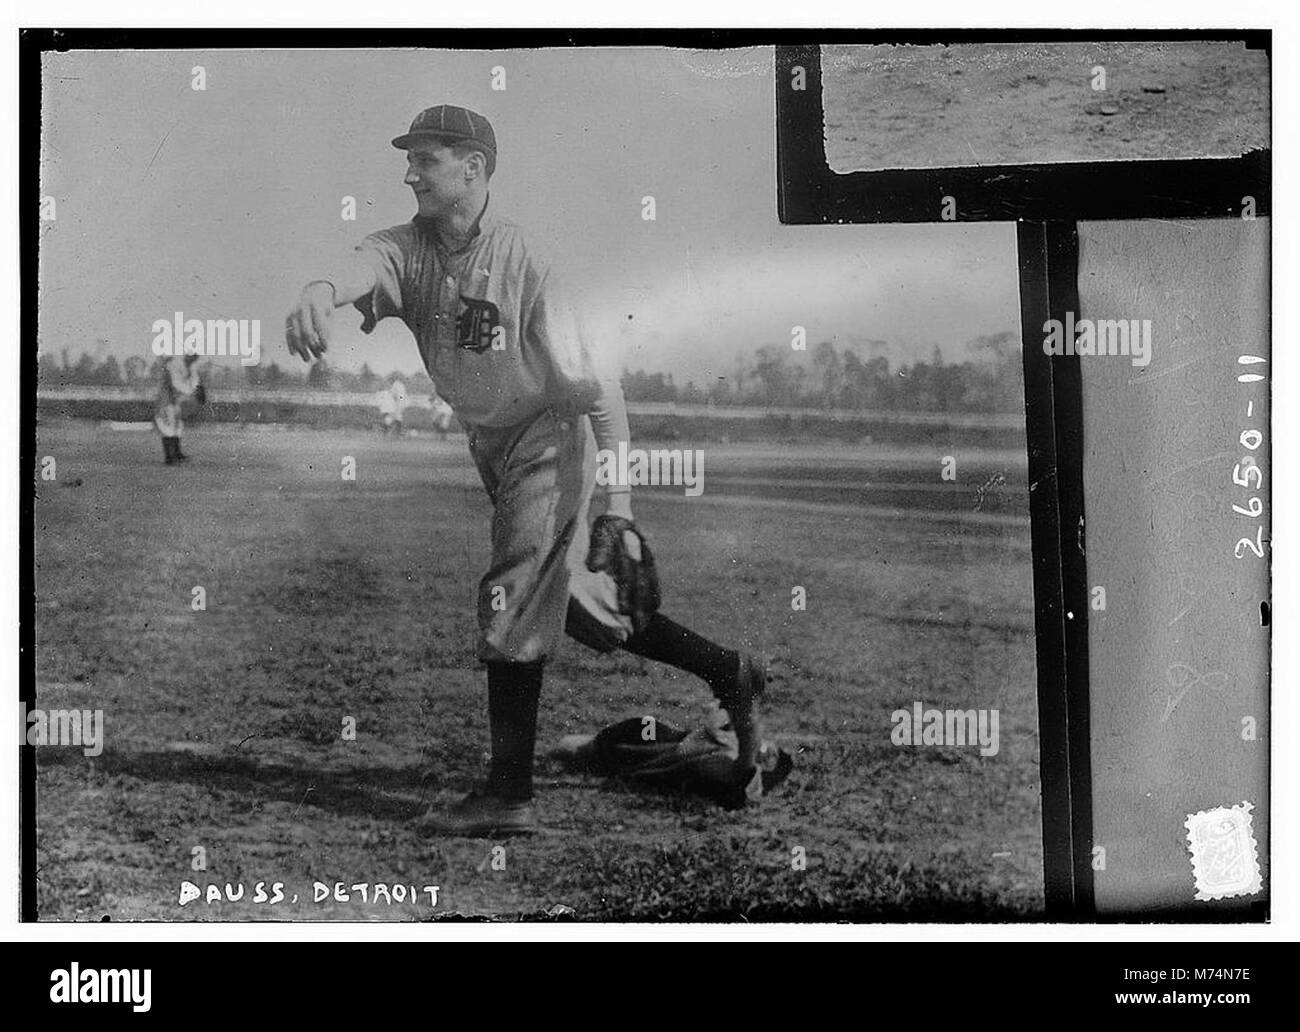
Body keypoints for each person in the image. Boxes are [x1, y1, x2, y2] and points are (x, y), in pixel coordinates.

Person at [285, 105, 769, 836]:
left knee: (512, 594)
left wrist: (622, 506)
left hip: (549, 435)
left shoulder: (530, 259)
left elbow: (598, 387)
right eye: (409, 160)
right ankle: (731, 672)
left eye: (428, 159)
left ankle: (507, 796)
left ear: (474, 167)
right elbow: (355, 267)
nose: (410, 172)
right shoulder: (409, 248)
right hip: (492, 443)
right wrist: (318, 292)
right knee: (579, 608)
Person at [154, 353, 204, 464]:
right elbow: (176, 383)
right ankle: (169, 457)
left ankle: (177, 453)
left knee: (178, 426)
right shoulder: (175, 364)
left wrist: (195, 388)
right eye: (192, 357)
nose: (193, 360)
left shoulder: (190, 365)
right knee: (168, 426)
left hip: (176, 399)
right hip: (166, 399)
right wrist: (192, 391)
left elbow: (194, 380)